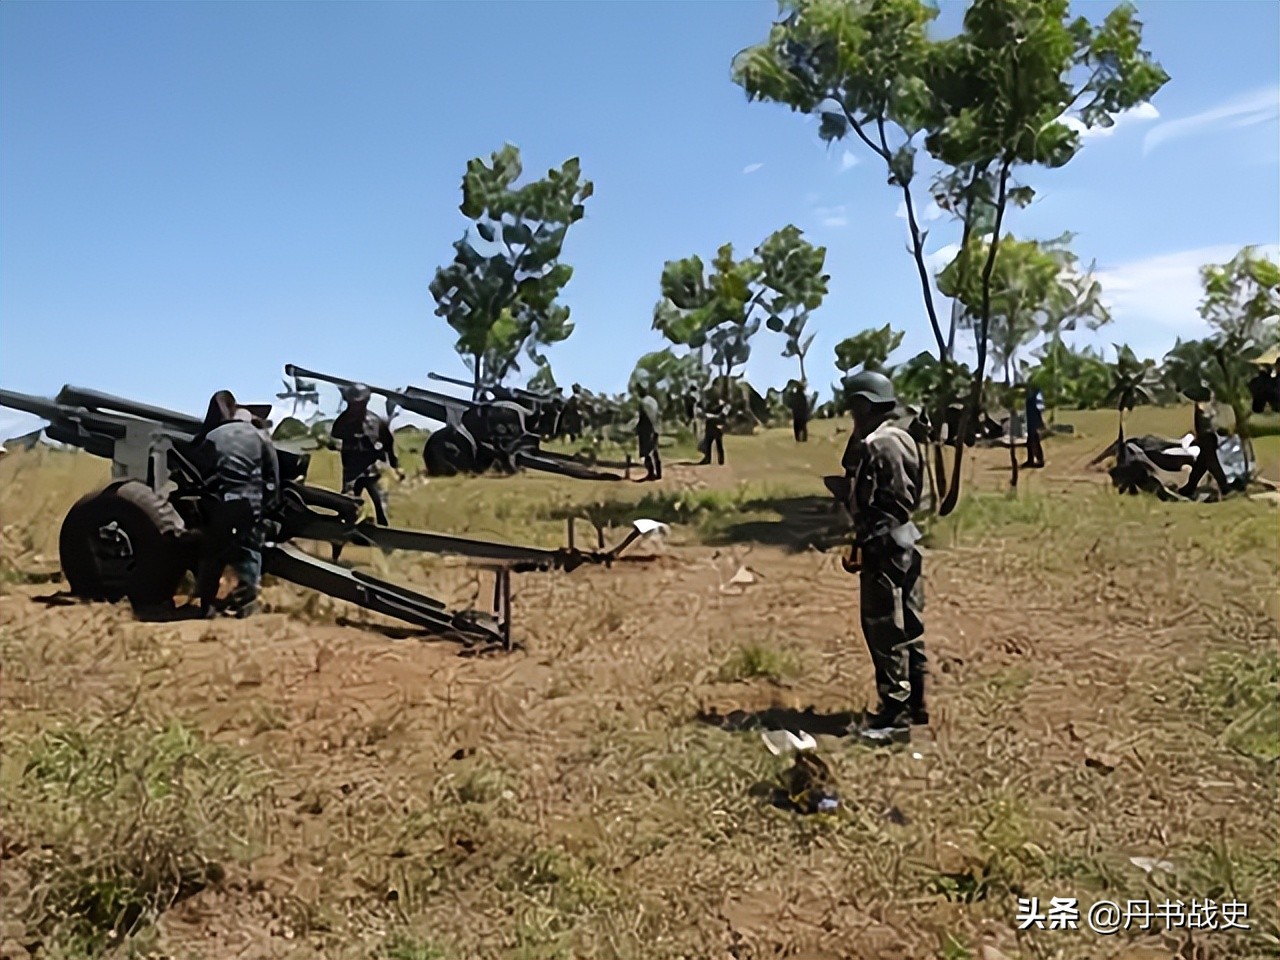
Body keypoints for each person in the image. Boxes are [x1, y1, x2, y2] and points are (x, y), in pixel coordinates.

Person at [836, 370, 927, 746]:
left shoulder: (875, 445)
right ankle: (916, 704)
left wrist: (859, 540)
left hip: (882, 544)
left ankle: (895, 714)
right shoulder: (905, 439)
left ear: (866, 405)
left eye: (855, 408)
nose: (852, 416)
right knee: (911, 627)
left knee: (883, 629)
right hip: (908, 538)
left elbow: (868, 502)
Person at [193, 393, 280, 619]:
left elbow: (199, 468)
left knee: (213, 552)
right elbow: (273, 477)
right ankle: (246, 606)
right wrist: (269, 504)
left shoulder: (214, 435)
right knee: (251, 550)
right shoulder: (261, 437)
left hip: (223, 503)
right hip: (250, 503)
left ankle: (206, 605)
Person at [330, 383, 403, 561]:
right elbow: (334, 435)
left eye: (359, 403)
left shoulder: (376, 421)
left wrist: (394, 464)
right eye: (352, 403)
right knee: (346, 510)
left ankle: (387, 550)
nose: (355, 407)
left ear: (366, 402)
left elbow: (388, 443)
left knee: (382, 509)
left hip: (372, 470)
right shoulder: (343, 421)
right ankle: (337, 551)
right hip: (352, 472)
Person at [1179, 384, 1231, 499]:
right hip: (1206, 438)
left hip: (1207, 438)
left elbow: (1190, 393)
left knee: (1212, 464)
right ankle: (1189, 488)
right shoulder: (1207, 406)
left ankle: (1225, 488)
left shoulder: (1204, 407)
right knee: (1200, 466)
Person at [635, 386, 662, 481]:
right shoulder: (653, 401)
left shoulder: (642, 402)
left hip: (647, 429)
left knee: (646, 452)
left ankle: (650, 472)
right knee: (655, 450)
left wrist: (637, 428)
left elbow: (643, 417)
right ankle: (659, 473)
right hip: (656, 428)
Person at [1022, 382, 1046, 468]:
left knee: (1035, 441)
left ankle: (1040, 460)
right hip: (1030, 422)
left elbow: (1040, 408)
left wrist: (1040, 422)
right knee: (1029, 442)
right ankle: (1030, 460)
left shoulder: (1036, 395)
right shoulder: (1030, 396)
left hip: (1034, 422)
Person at [699, 395, 728, 465]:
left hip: (717, 427)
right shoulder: (712, 406)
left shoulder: (726, 407)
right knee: (708, 444)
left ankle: (721, 460)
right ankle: (707, 459)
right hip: (710, 427)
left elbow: (722, 416)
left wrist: (710, 416)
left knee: (719, 444)